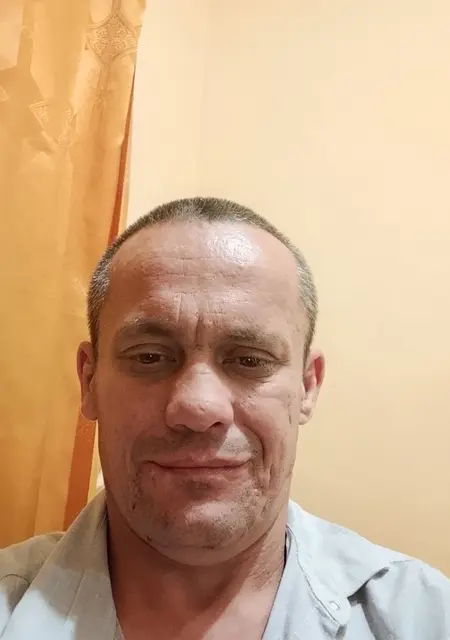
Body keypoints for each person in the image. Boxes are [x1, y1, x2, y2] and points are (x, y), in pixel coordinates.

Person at [0, 197, 448, 640]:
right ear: (89, 382)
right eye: (150, 356)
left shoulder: (426, 618)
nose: (198, 408)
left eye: (250, 361)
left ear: (307, 386)